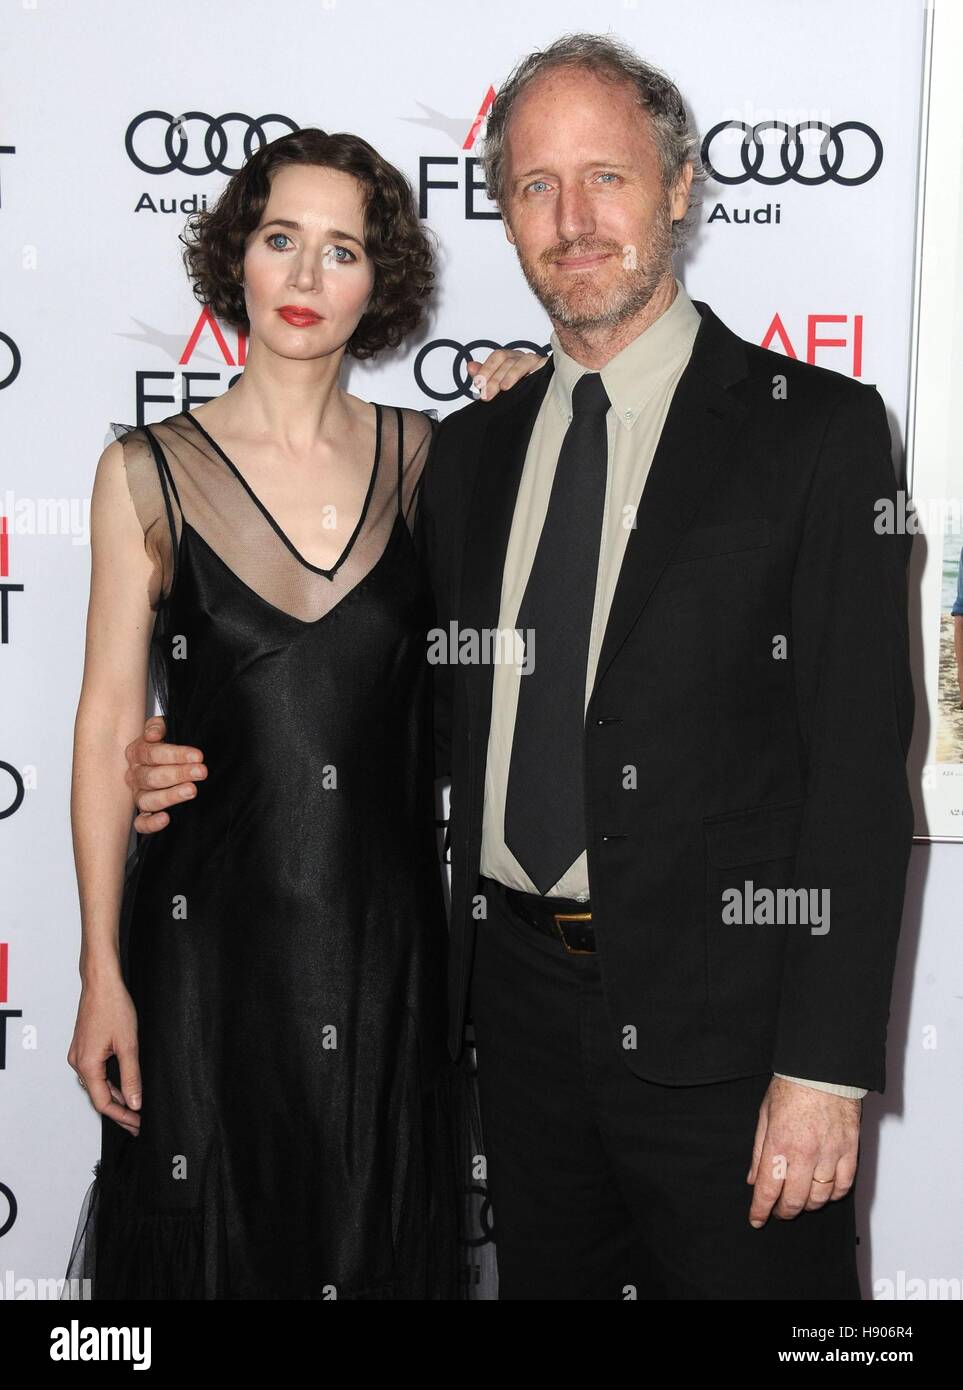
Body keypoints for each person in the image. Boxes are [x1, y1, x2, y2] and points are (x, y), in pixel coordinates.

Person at [124, 34, 916, 1300]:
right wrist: (189, 763)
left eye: (606, 176)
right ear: (503, 214)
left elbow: (861, 779)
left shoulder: (815, 432)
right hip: (514, 1028)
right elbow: (387, 707)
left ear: (680, 185)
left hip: (731, 1048)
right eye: (537, 187)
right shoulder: (473, 456)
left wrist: (823, 1071)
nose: (575, 219)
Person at [63, 126, 543, 1300]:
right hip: (200, 946)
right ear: (240, 255)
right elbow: (105, 722)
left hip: (382, 950)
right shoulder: (147, 471)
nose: (307, 278)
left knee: (367, 1249)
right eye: (283, 239)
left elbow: (550, 620)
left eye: (343, 251)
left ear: (379, 285)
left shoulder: (433, 460)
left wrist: (546, 401)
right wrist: (97, 970)